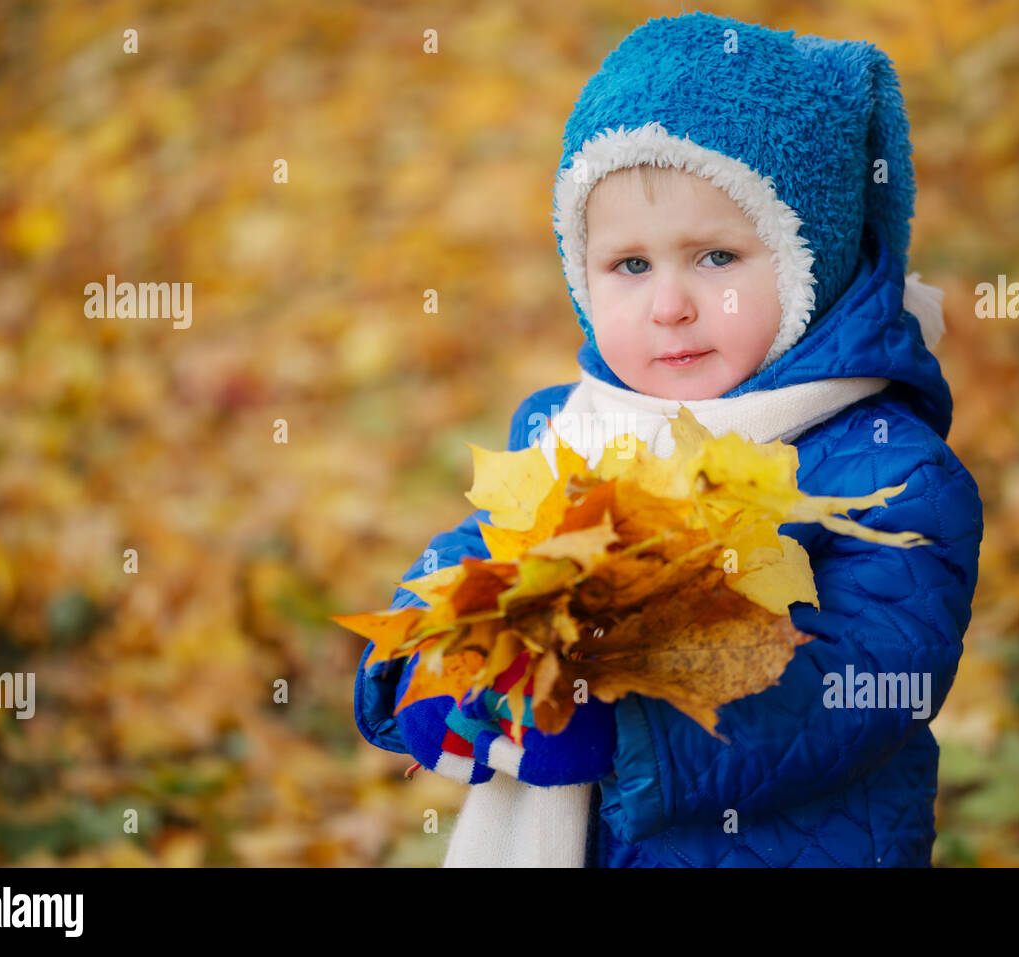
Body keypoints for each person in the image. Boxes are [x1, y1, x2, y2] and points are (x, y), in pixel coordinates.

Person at [352, 11, 983, 867]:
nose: (670, 305)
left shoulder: (884, 469)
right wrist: (429, 658)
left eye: (716, 258)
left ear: (811, 266)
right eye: (631, 266)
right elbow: (474, 564)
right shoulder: (569, 432)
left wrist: (630, 727)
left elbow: (855, 689)